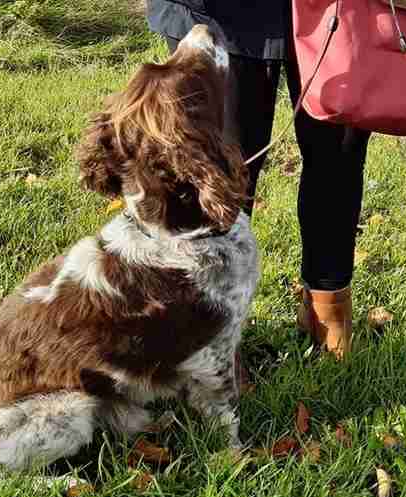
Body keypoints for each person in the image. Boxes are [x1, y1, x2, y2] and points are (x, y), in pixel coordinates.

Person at [146, 1, 371, 358]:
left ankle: (330, 308)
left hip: (339, 11)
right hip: (218, 13)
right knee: (218, 169)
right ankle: (212, 329)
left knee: (339, 157)